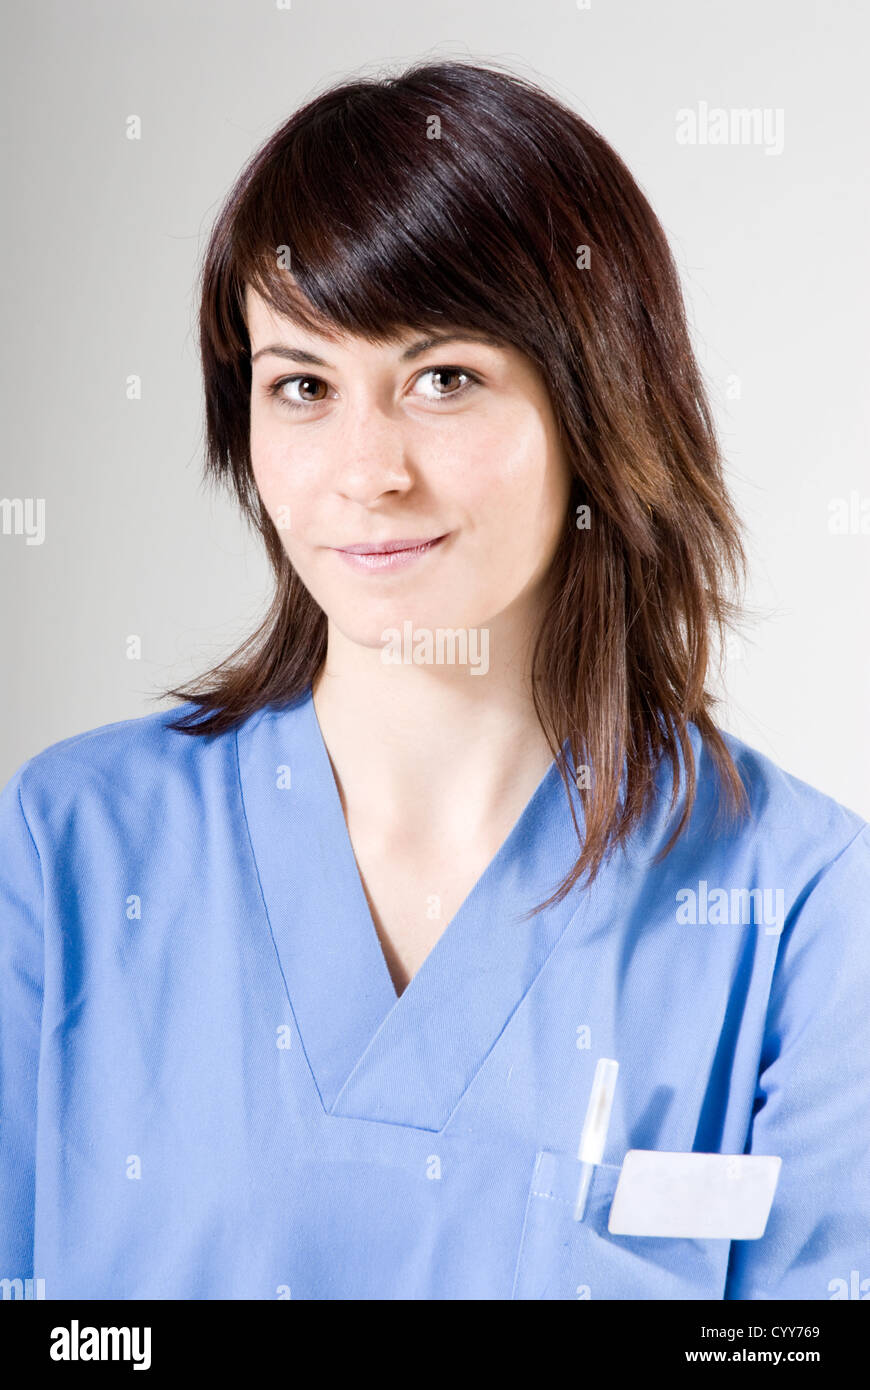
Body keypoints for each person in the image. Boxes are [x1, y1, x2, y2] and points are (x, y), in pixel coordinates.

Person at [1, 60, 868, 1301]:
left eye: (444, 379)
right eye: (302, 385)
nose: (367, 470)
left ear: (599, 406)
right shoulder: (66, 849)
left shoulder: (801, 911)